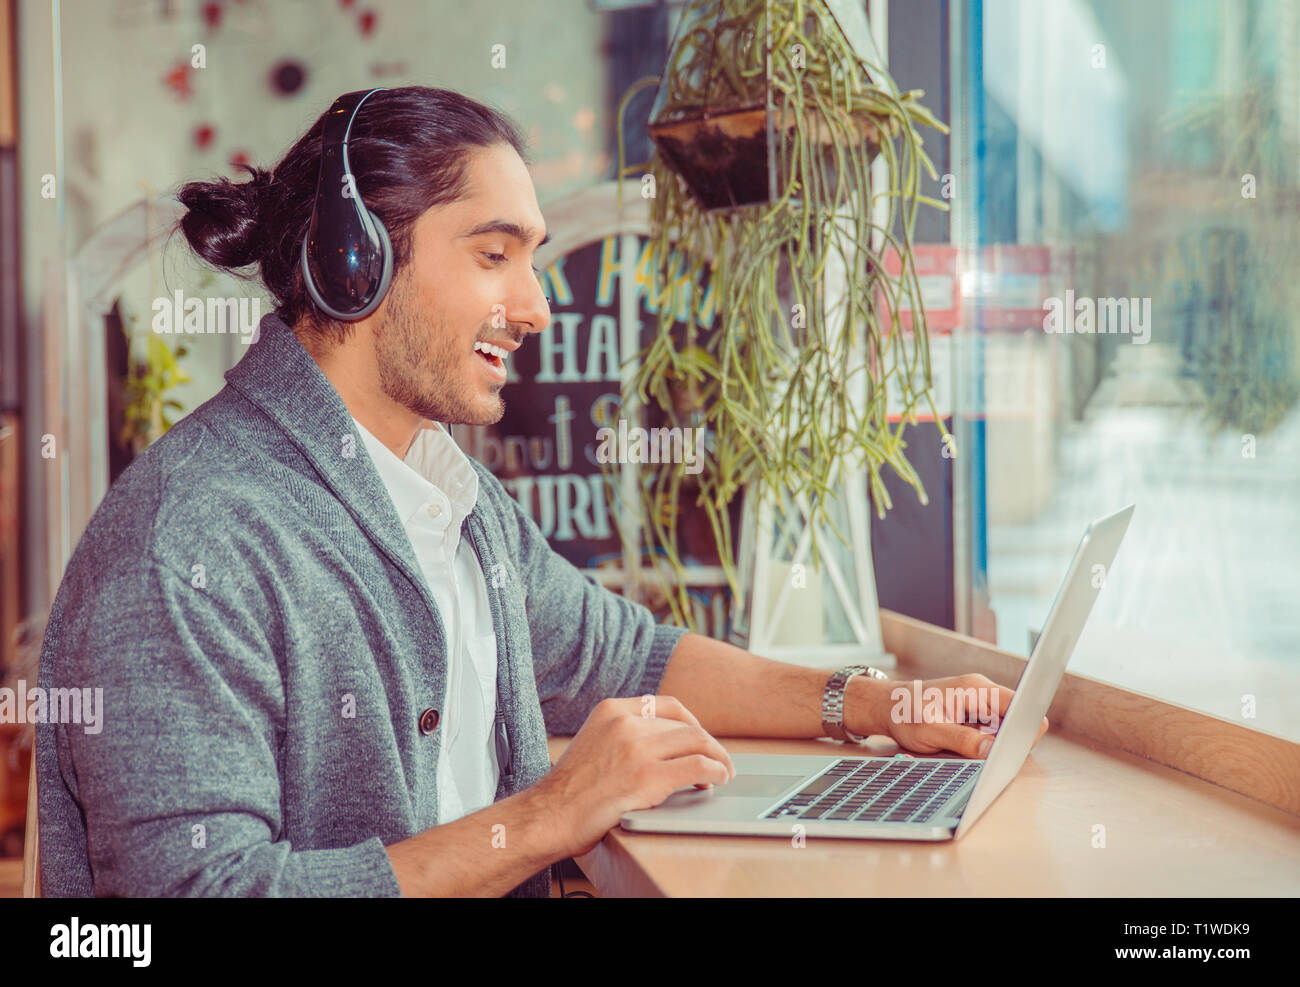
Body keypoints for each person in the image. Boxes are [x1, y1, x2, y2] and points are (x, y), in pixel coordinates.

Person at [35, 86, 1046, 897]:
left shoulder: (452, 496)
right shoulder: (188, 542)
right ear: (355, 260)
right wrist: (552, 814)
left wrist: (875, 704)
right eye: (494, 255)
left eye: (534, 260)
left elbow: (625, 655)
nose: (537, 306)